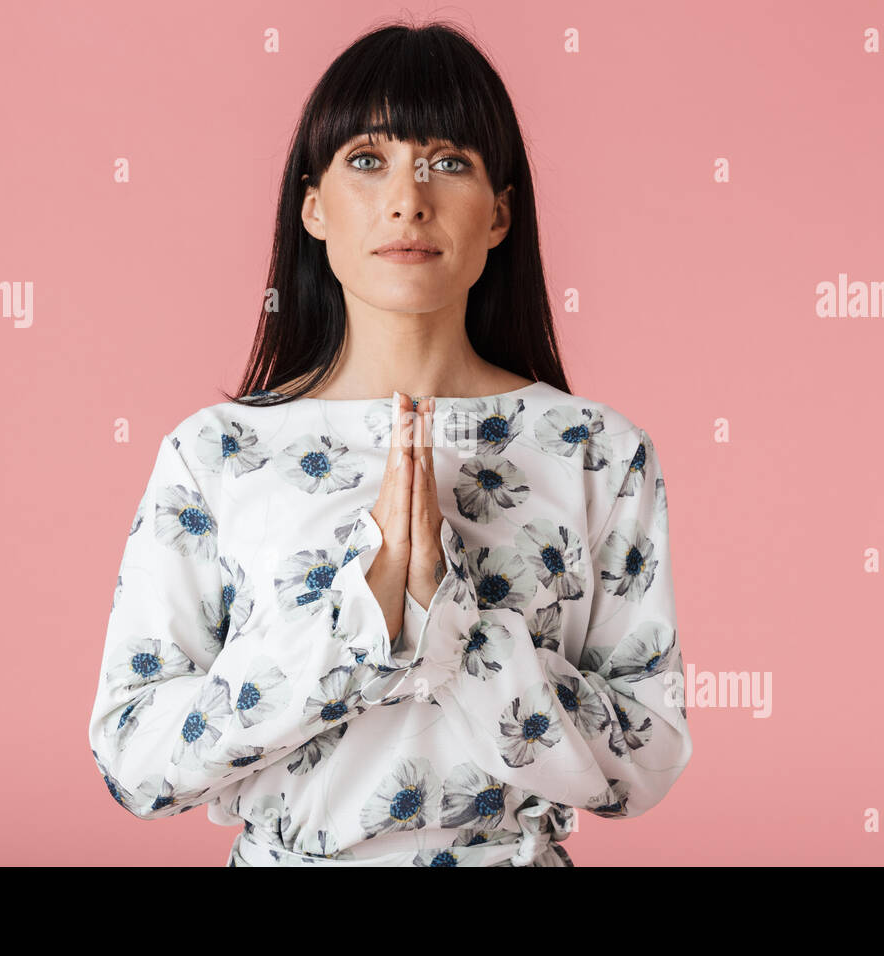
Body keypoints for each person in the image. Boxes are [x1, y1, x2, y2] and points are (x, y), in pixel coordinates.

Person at [86, 19, 692, 867]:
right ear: (313, 206)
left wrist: (461, 629)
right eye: (368, 159)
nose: (409, 198)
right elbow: (135, 758)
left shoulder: (596, 451)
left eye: (449, 162)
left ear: (500, 214)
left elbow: (647, 755)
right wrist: (352, 624)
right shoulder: (217, 454)